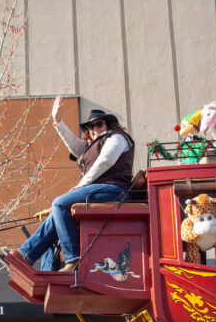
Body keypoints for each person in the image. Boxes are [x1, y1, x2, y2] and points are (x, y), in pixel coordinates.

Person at [9, 97, 135, 272]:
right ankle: (24, 256)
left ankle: (73, 258)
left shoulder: (117, 138)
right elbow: (75, 145)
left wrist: (80, 186)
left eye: (98, 124)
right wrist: (57, 121)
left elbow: (105, 162)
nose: (94, 129)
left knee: (59, 203)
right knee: (55, 212)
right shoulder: (91, 146)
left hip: (114, 190)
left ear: (108, 125)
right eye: (90, 127)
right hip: (98, 190)